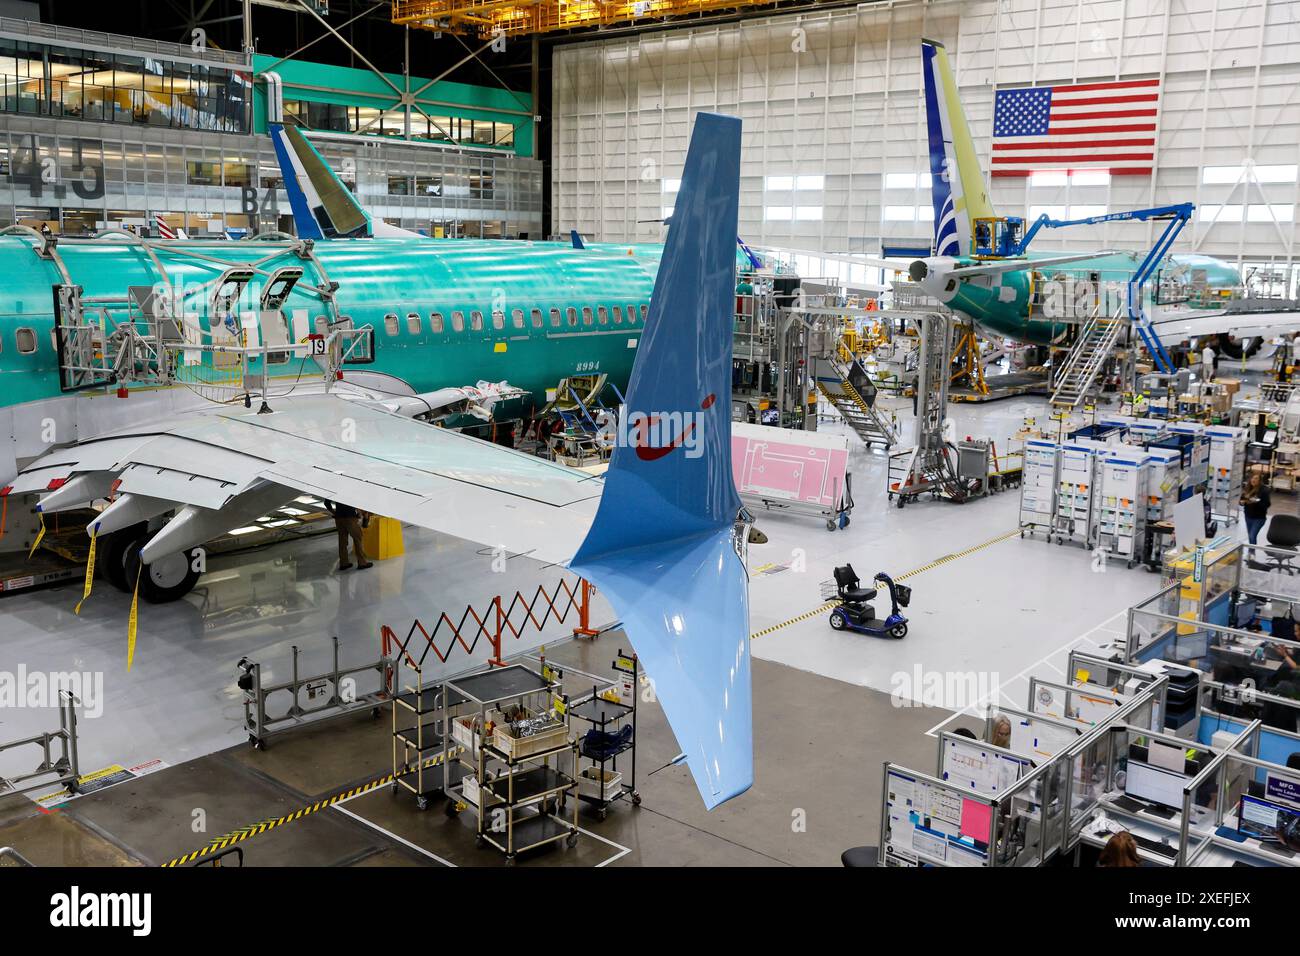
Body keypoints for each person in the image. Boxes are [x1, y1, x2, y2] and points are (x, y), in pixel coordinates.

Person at [323, 499, 372, 570]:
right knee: (358, 539)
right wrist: (359, 513)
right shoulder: (351, 492)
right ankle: (362, 563)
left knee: (342, 541)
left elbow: (326, 503)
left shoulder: (337, 491)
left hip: (339, 519)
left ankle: (344, 563)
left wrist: (334, 512)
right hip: (350, 518)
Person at [1241, 473, 1272, 545]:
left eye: (1256, 478)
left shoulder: (1264, 490)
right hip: (1248, 516)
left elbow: (1267, 505)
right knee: (1250, 536)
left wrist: (1257, 502)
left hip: (1259, 518)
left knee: (1252, 535)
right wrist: (1242, 502)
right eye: (1252, 478)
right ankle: (1251, 550)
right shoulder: (1247, 488)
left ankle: (1251, 551)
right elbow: (1242, 499)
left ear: (1260, 480)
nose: (1253, 480)